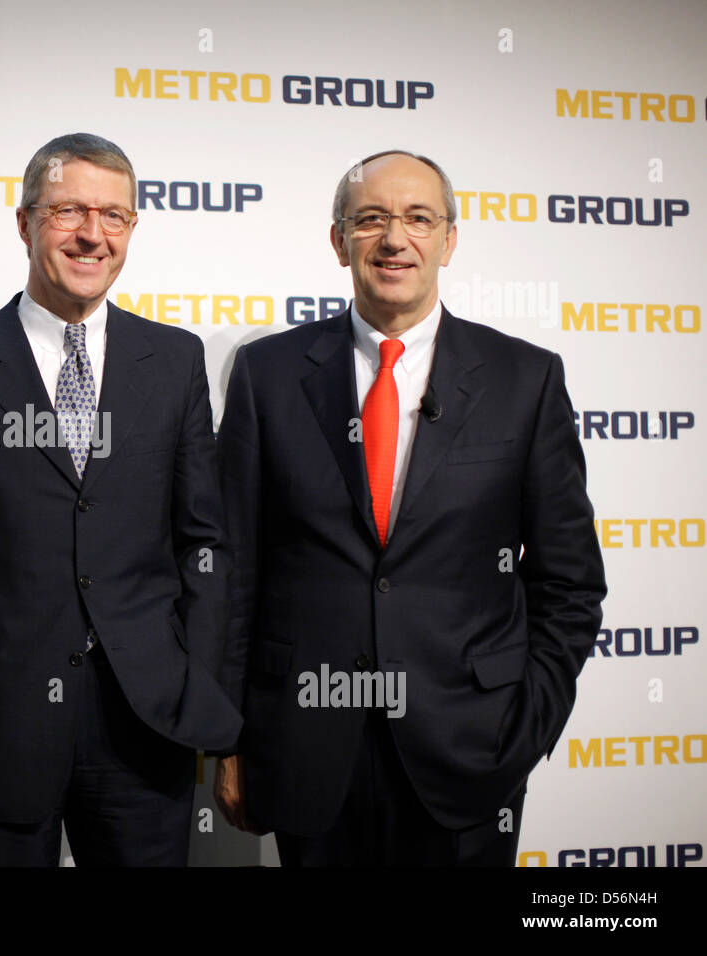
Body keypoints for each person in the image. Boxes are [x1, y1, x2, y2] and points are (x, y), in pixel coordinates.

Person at [215, 150, 605, 865]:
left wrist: (525, 726)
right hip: (307, 748)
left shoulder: (526, 380)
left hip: (469, 752)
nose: (396, 239)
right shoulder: (265, 375)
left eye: (419, 218)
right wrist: (231, 737)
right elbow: (234, 572)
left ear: (449, 240)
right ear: (339, 241)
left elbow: (570, 583)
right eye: (371, 220)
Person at [0, 133, 240, 866]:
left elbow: (203, 541)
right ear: (25, 221)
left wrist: (199, 692)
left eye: (114, 216)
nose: (93, 234)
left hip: (146, 727)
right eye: (69, 211)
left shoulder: (176, 359)